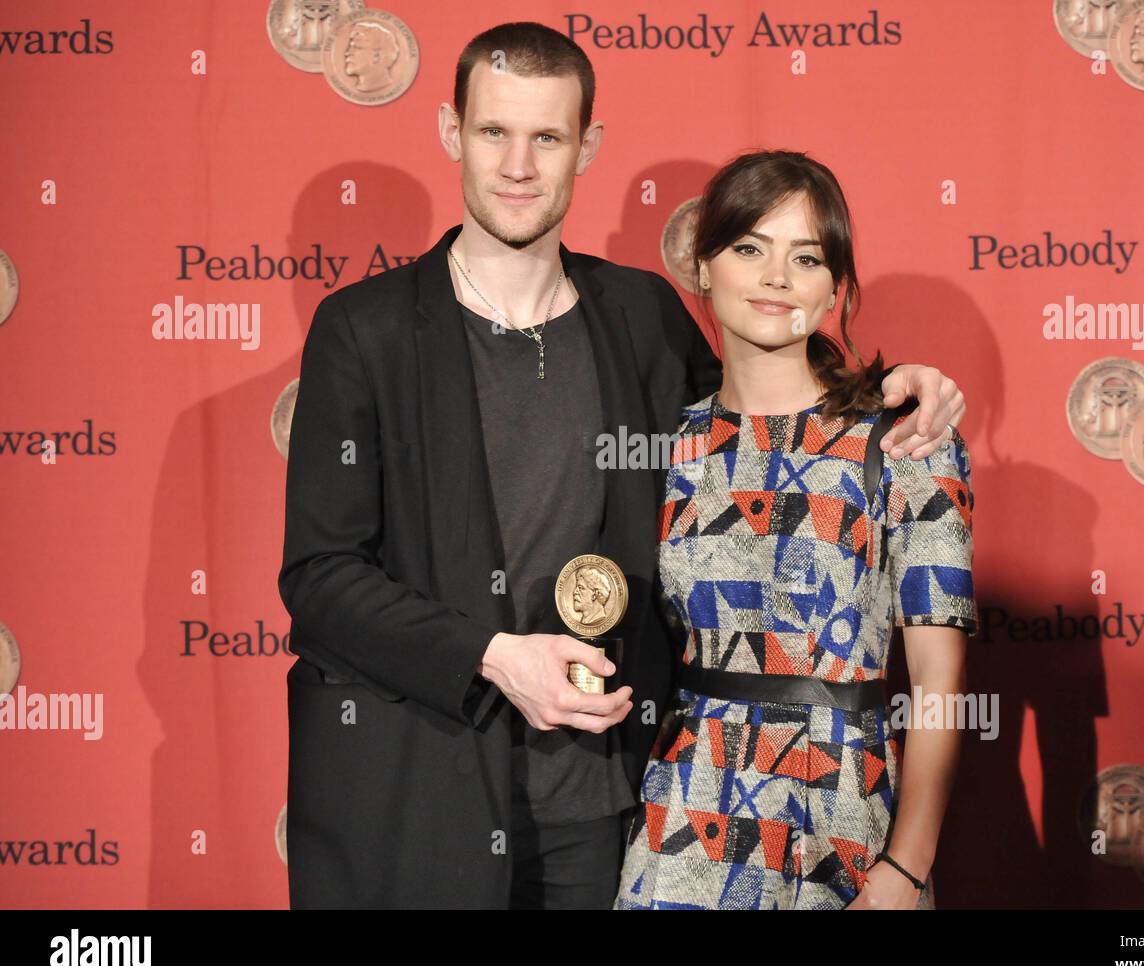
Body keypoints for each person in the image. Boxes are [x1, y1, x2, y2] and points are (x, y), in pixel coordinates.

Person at [278, 21, 968, 909]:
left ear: (587, 148)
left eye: (548, 137)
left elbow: (765, 406)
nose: (519, 165)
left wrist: (892, 386)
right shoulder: (362, 329)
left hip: (612, 811)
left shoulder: (639, 317)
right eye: (494, 132)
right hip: (425, 789)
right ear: (453, 133)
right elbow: (320, 575)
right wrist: (491, 655)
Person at [615, 150, 977, 909]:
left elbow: (939, 684)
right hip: (686, 816)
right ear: (704, 268)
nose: (777, 278)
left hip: (847, 817)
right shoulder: (665, 445)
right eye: (750, 248)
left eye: (805, 257)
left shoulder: (906, 443)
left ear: (836, 287)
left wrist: (908, 864)